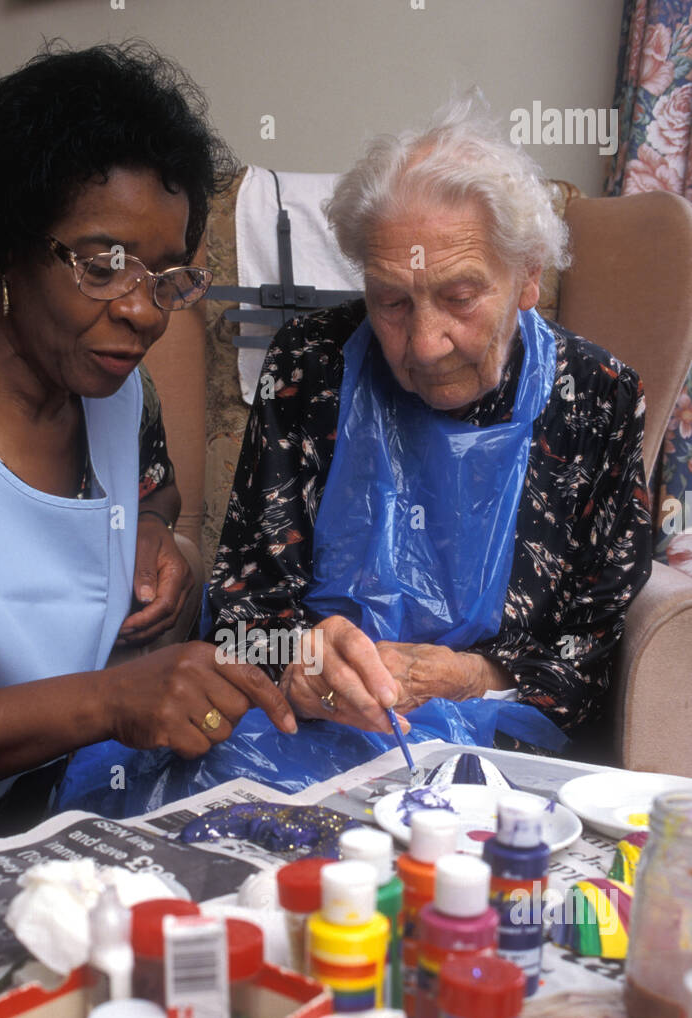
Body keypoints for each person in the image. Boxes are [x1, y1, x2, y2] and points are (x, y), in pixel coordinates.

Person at [0, 42, 296, 885]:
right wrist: (106, 704)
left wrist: (157, 542)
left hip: (57, 833)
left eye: (167, 277)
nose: (140, 311)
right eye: (102, 266)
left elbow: (149, 502)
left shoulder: (115, 387)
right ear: (7, 244)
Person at [204, 95, 653, 773]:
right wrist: (301, 662)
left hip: (504, 761)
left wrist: (471, 678)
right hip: (300, 743)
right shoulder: (309, 364)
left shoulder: (598, 398)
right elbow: (238, 624)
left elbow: (591, 659)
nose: (424, 343)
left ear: (527, 274)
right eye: (390, 301)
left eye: (458, 297)